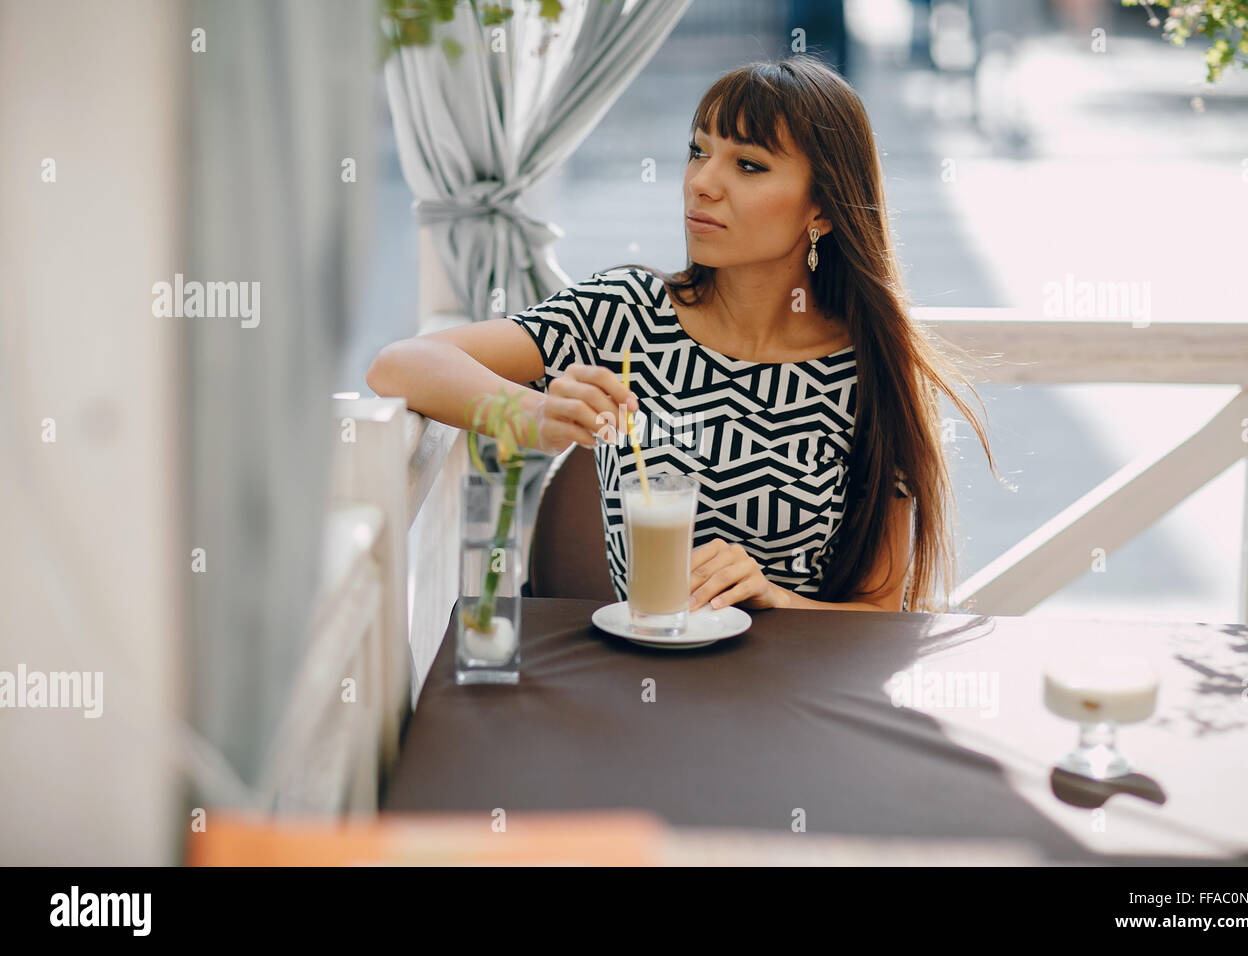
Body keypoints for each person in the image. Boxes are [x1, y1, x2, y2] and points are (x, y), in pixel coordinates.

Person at [368, 56, 1000, 614]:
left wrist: (778, 601)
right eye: (699, 150)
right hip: (639, 688)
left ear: (823, 210)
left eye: (748, 164)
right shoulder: (625, 313)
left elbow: (879, 611)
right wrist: (533, 415)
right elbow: (401, 365)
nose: (702, 181)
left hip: (790, 705)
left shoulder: (871, 374)